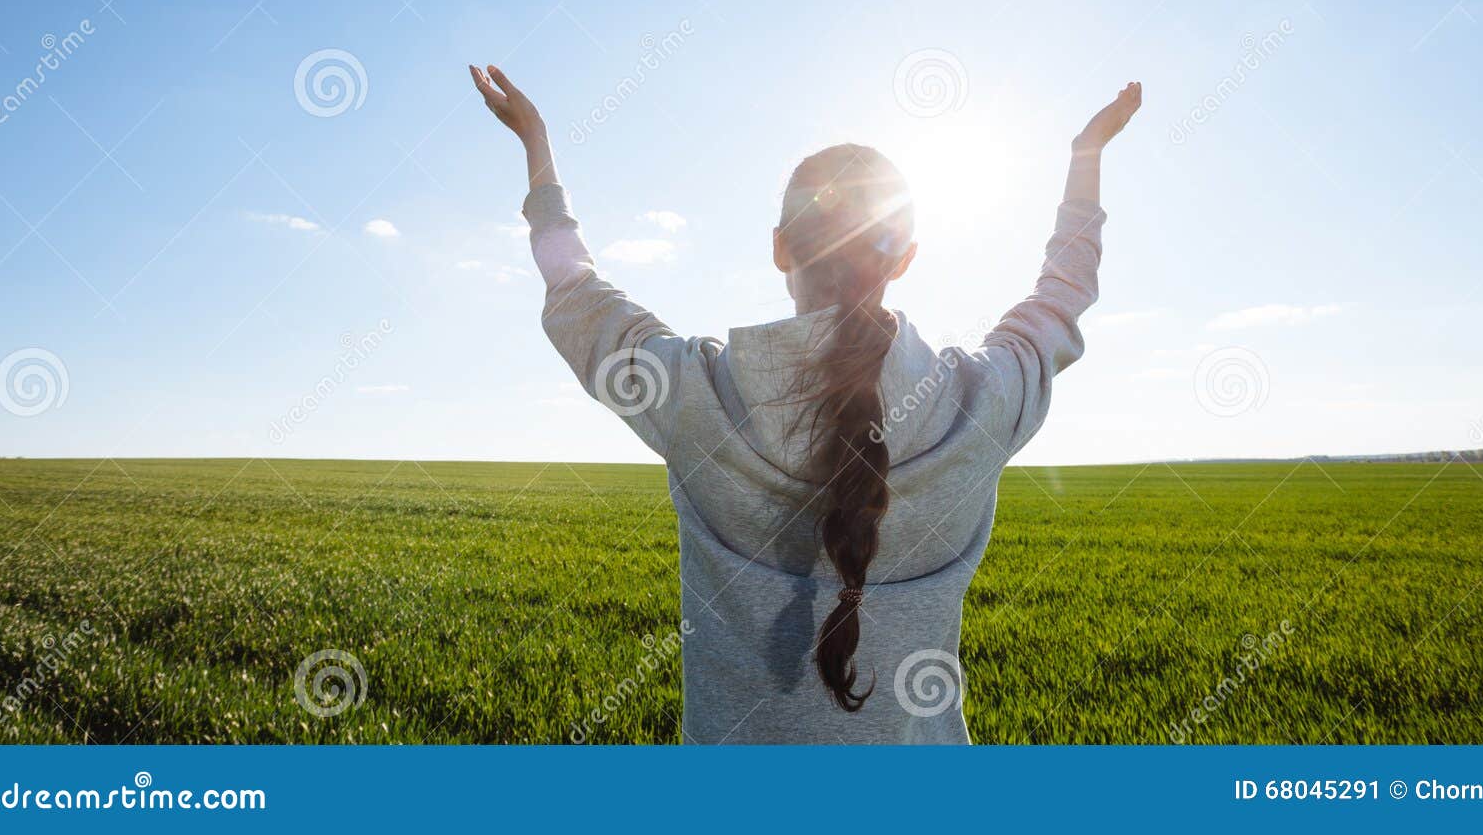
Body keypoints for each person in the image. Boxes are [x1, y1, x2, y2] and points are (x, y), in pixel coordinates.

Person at [470, 64, 1141, 743]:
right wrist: (1086, 157)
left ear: (779, 248)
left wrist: (539, 149)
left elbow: (574, 284)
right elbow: (1062, 295)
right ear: (903, 258)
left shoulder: (693, 395)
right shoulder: (977, 402)